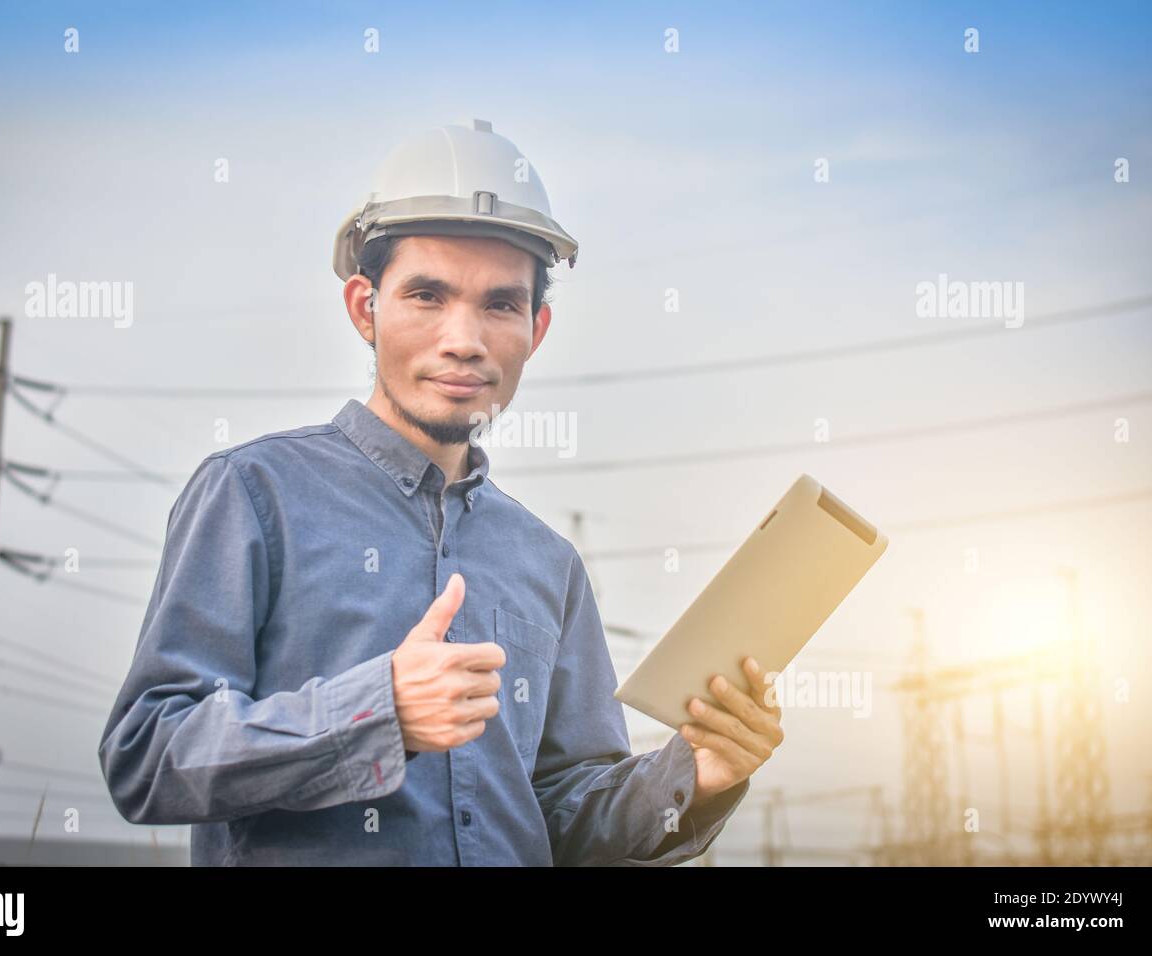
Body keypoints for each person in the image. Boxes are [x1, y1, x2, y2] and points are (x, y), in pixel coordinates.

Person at [98, 119, 784, 865]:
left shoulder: (547, 563)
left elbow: (563, 815)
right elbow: (147, 756)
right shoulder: (254, 495)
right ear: (365, 308)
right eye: (427, 295)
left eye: (499, 304)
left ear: (537, 327)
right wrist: (376, 712)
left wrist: (692, 777)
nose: (465, 338)